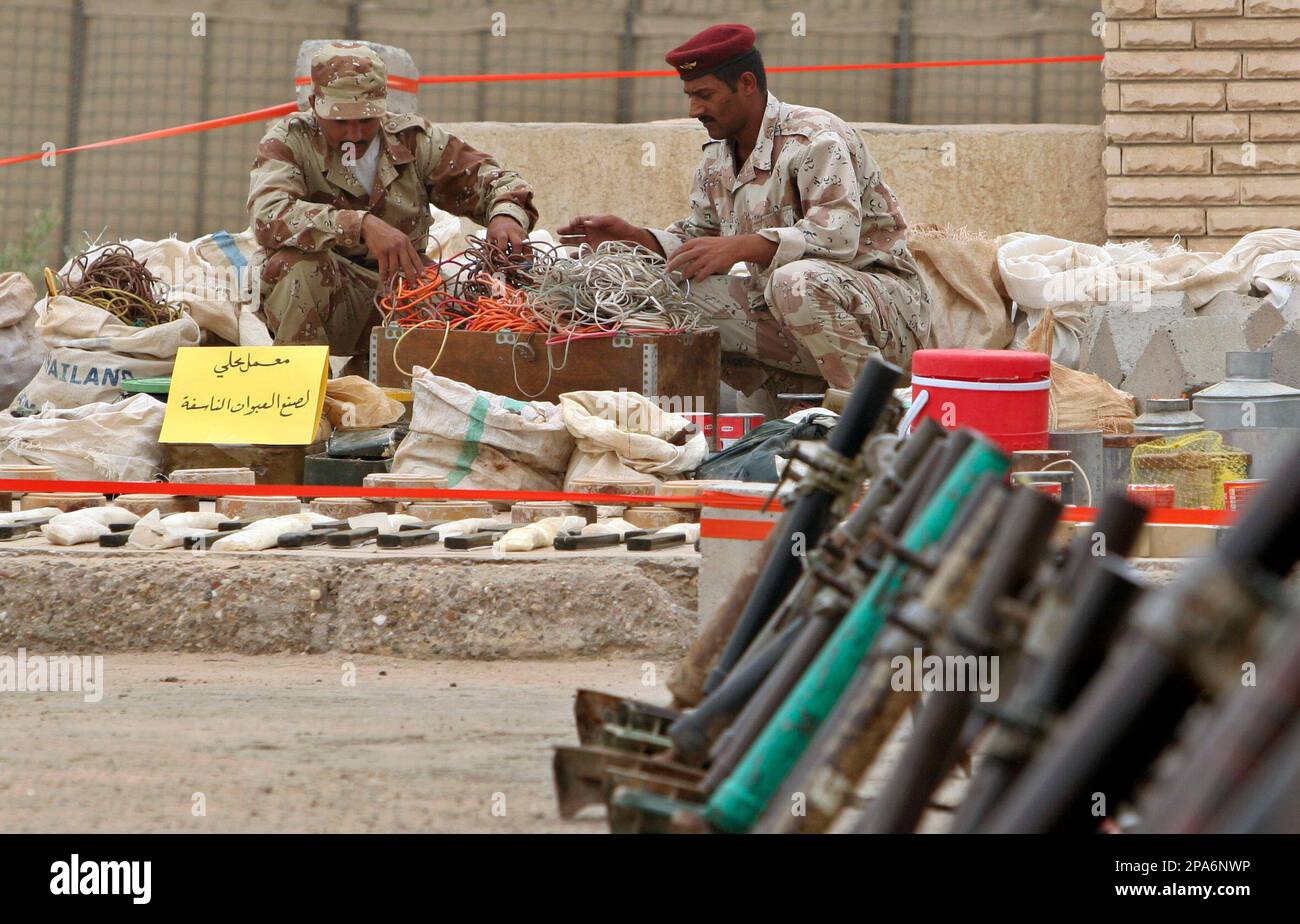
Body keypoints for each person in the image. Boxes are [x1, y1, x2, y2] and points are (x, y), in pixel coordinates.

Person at [559, 24, 931, 409]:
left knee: (794, 281)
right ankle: (774, 400)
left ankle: (875, 413)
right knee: (663, 289)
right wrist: (635, 238)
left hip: (882, 314)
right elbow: (699, 240)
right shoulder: (716, 157)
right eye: (690, 96)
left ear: (747, 83)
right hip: (789, 314)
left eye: (705, 95)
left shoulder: (816, 138)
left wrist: (742, 247)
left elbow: (837, 238)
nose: (694, 110)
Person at [247, 42, 537, 354]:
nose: (355, 134)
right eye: (341, 121)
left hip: (404, 292)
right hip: (324, 296)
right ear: (315, 103)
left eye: (367, 120)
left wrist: (505, 215)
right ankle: (304, 388)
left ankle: (388, 380)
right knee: (295, 268)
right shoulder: (290, 141)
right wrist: (360, 225)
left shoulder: (412, 140)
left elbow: (497, 181)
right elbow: (269, 215)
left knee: (477, 307)